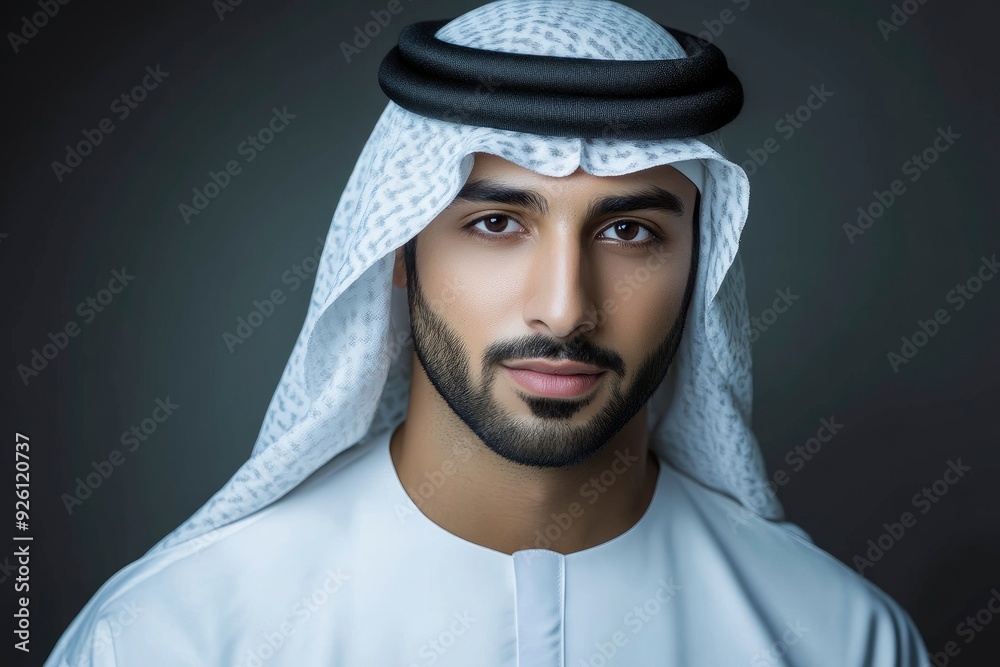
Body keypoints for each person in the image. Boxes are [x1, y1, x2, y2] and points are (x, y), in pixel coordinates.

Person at [44, 1, 931, 665]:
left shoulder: (842, 638)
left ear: (700, 264)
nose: (564, 306)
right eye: (498, 224)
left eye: (630, 232)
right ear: (398, 250)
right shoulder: (177, 634)